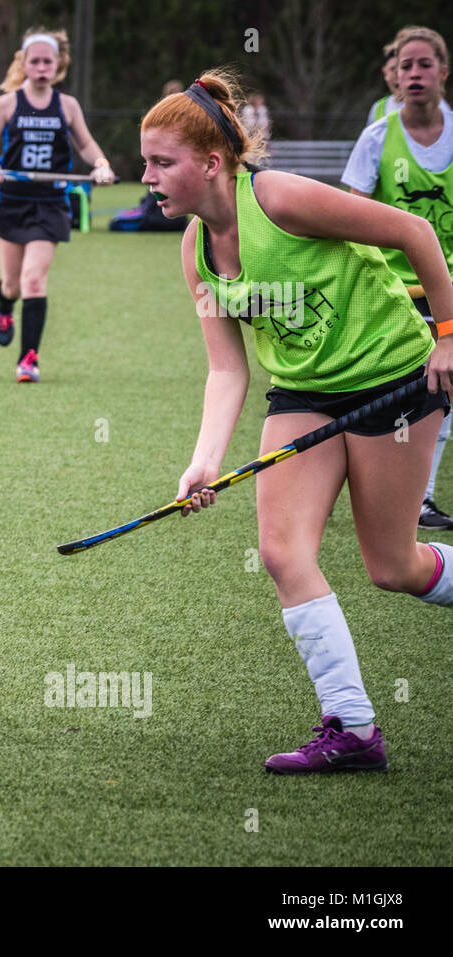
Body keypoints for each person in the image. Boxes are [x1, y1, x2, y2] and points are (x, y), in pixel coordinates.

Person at [140, 70, 453, 774]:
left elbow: (412, 231)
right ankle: (353, 728)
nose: (147, 176)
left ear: (211, 163)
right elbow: (227, 369)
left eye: (162, 162)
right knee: (284, 553)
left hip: (392, 380)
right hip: (305, 391)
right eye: (146, 162)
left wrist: (448, 334)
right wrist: (203, 460)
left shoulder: (278, 198)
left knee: (393, 566)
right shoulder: (195, 250)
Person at [344, 25, 453, 531]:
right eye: (406, 65)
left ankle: (419, 501)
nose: (414, 73)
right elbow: (349, 216)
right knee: (382, 393)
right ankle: (357, 481)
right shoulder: (377, 137)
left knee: (442, 394)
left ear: (443, 72)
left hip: (448, 292)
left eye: (424, 64)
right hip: (395, 292)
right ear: (395, 76)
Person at [0, 27, 115, 384]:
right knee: (13, 285)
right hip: (12, 201)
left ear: (58, 65)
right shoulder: (7, 104)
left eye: (47, 61)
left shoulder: (67, 106)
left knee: (34, 279)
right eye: (34, 61)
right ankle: (3, 306)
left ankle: (28, 360)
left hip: (50, 203)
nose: (40, 67)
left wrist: (100, 165)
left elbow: (86, 146)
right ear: (23, 63)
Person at [368, 43, 402, 124]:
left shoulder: (428, 106)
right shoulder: (378, 108)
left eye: (403, 67)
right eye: (392, 69)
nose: (398, 75)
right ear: (385, 73)